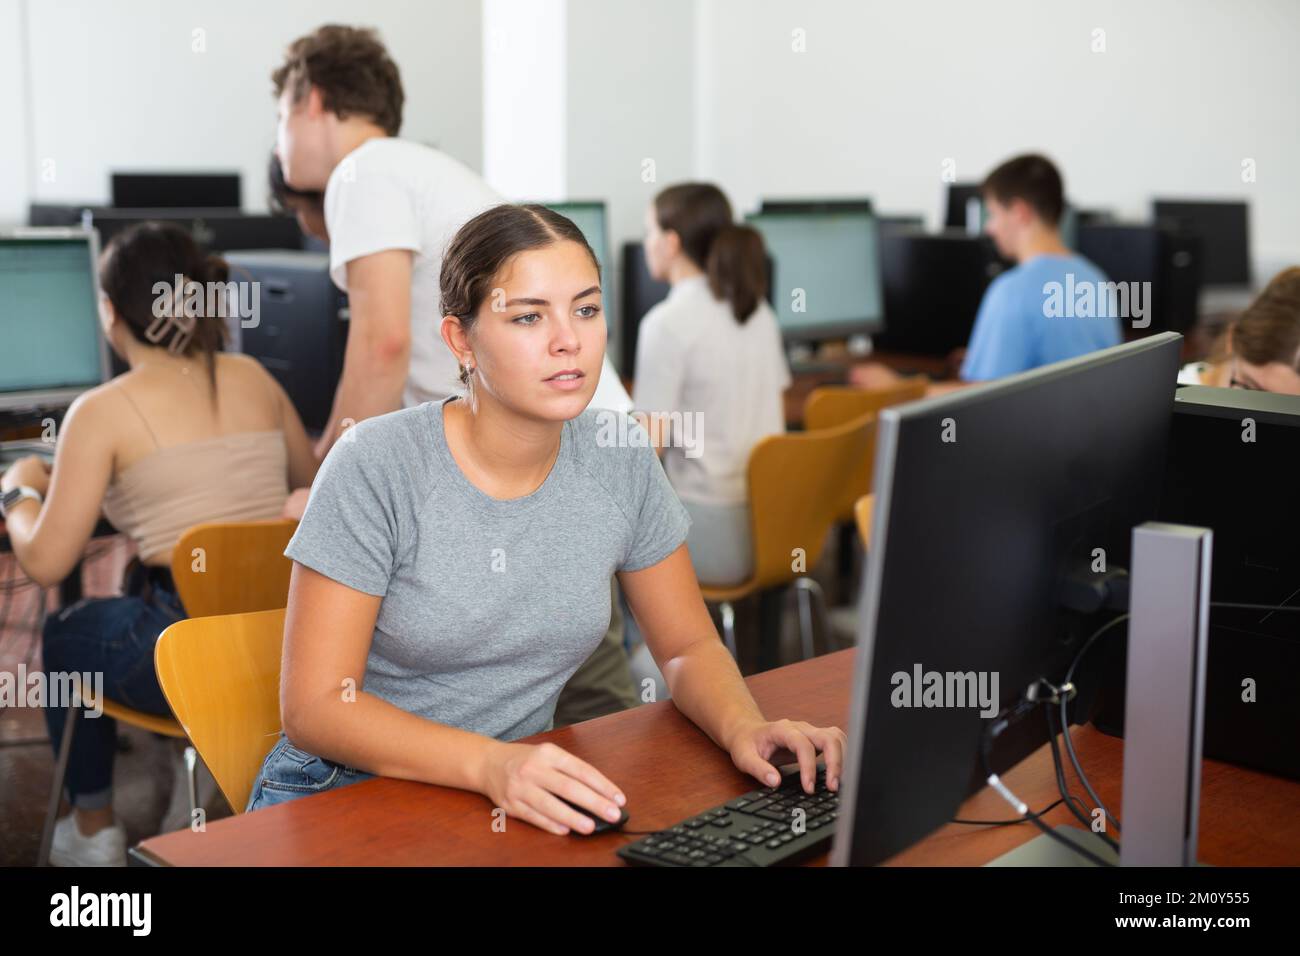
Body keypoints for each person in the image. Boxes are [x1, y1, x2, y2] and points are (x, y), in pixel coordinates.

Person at [245, 204, 846, 831]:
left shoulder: (620, 458)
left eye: (585, 309)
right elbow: (315, 707)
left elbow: (687, 647)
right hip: (345, 788)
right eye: (529, 316)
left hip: (505, 788)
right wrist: (491, 766)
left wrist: (745, 727)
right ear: (461, 340)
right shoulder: (376, 463)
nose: (570, 339)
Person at [1, 223, 316, 865]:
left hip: (186, 654)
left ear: (111, 312)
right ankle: (197, 777)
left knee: (67, 632)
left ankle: (92, 832)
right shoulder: (255, 377)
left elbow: (47, 560)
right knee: (134, 590)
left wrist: (18, 490)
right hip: (279, 644)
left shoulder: (100, 411)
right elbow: (307, 494)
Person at [851, 154, 1120, 392]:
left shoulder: (1012, 291)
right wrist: (985, 354)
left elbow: (976, 398)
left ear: (1019, 212)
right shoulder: (1095, 279)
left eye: (992, 213)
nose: (989, 228)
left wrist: (897, 388)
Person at [632, 183, 790, 586]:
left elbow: (647, 450)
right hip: (775, 524)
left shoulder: (666, 324)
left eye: (649, 231)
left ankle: (643, 649)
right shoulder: (758, 311)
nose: (645, 243)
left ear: (671, 243)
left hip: (711, 534)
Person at [1178, 267, 1300, 394]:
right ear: (1231, 339)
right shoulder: (1167, 398)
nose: (1263, 412)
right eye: (1248, 388)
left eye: (1287, 406)